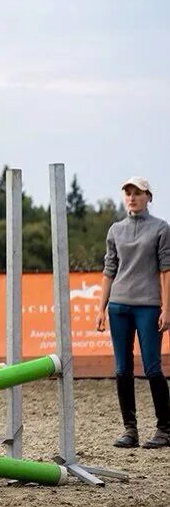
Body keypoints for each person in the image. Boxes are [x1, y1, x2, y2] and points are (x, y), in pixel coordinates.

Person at [95, 176, 170, 448]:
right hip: (118, 306)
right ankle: (130, 430)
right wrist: (101, 308)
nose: (131, 197)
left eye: (137, 192)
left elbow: (166, 270)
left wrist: (167, 308)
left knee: (152, 368)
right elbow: (109, 270)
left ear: (148, 196)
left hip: (149, 306)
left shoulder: (161, 228)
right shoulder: (115, 230)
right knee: (122, 369)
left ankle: (164, 428)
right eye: (128, 192)